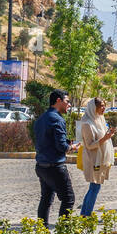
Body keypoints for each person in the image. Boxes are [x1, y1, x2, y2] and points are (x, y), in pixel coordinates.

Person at [33, 89, 78, 223]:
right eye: (67, 101)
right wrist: (72, 147)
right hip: (55, 166)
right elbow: (61, 147)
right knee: (68, 199)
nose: (69, 105)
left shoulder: (41, 119)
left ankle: (43, 233)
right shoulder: (57, 119)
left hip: (41, 166)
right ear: (58, 101)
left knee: (46, 200)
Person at [78, 98, 115, 217]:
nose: (103, 108)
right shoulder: (87, 123)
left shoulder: (99, 120)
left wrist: (109, 134)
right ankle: (86, 214)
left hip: (100, 157)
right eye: (101, 106)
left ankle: (84, 213)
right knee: (95, 187)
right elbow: (89, 145)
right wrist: (105, 138)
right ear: (94, 108)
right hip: (93, 159)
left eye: (104, 106)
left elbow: (102, 137)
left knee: (94, 187)